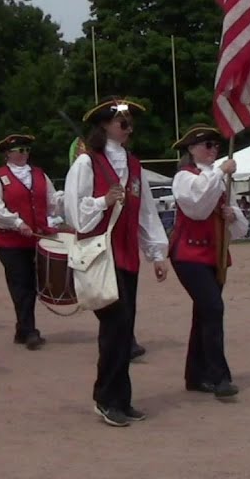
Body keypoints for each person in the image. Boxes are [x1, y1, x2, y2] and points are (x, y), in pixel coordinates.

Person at [64, 98, 170, 427]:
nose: (127, 126)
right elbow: (74, 211)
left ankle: (119, 398)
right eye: (121, 121)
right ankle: (106, 398)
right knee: (116, 326)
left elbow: (147, 213)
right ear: (105, 125)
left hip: (126, 257)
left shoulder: (134, 165)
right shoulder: (86, 163)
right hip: (100, 255)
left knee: (124, 330)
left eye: (129, 122)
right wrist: (103, 201)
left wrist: (156, 252)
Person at [169, 124, 248, 399]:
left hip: (214, 254)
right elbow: (198, 208)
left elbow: (239, 227)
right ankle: (219, 377)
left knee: (204, 314)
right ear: (191, 149)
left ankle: (196, 375)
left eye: (215, 146)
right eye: (207, 146)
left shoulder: (219, 179)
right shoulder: (184, 177)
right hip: (188, 255)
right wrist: (220, 173)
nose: (213, 150)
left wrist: (232, 215)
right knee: (213, 309)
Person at [0, 133, 64, 350]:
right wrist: (18, 223)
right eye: (20, 151)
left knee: (34, 284)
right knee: (22, 285)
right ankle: (29, 331)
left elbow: (52, 202)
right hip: (10, 242)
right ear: (8, 154)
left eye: (27, 150)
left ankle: (22, 329)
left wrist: (60, 207)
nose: (24, 154)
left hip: (37, 239)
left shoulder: (39, 174)